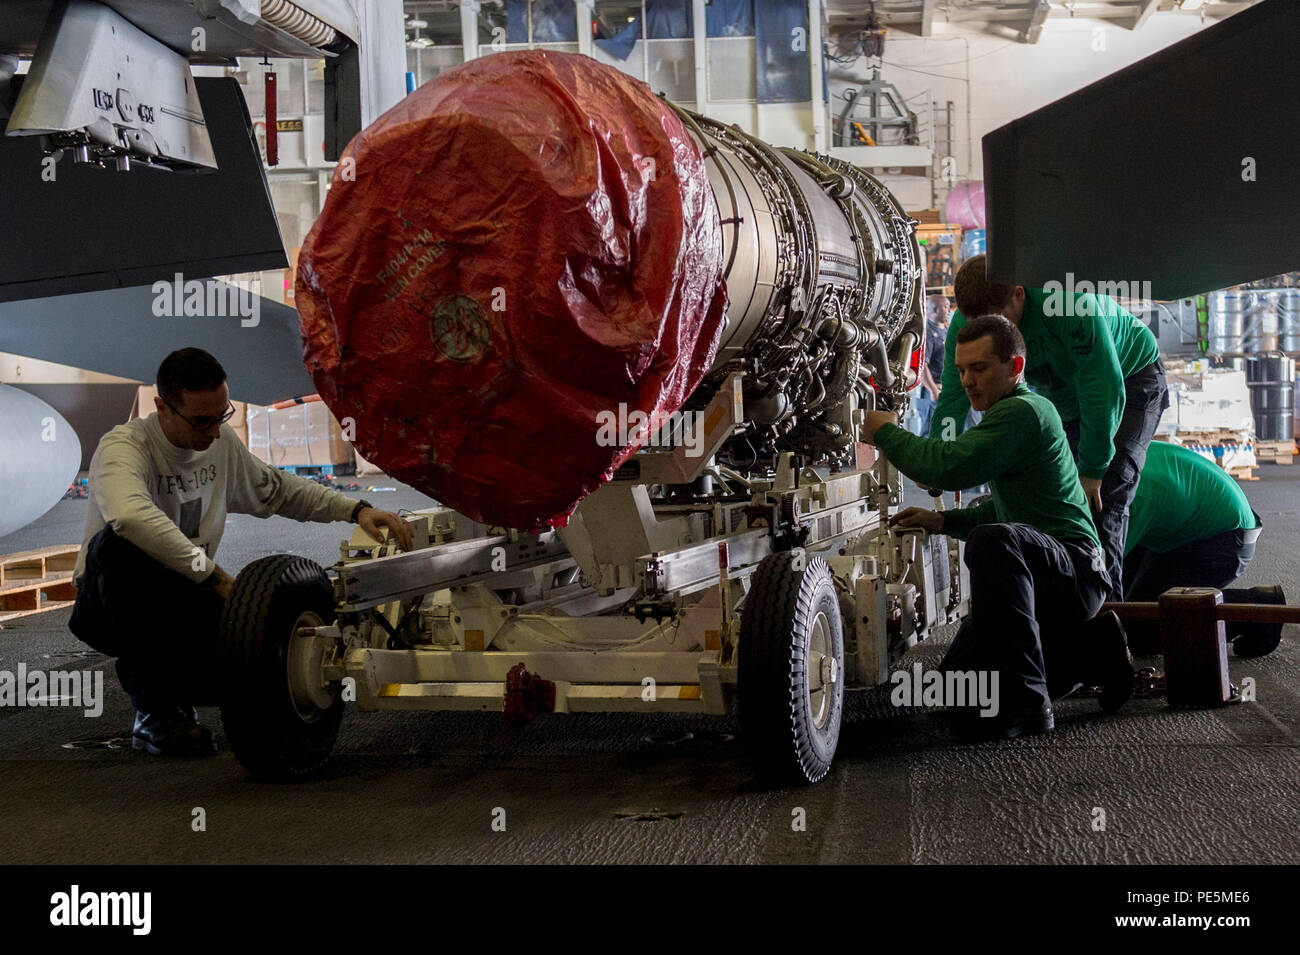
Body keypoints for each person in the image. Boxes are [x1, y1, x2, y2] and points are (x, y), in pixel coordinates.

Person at [70, 348, 414, 757]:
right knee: (120, 547)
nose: (215, 432)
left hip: (189, 591)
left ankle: (185, 686)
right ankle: (156, 714)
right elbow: (130, 517)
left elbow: (278, 490)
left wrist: (356, 509)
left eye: (222, 416)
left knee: (259, 643)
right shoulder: (124, 447)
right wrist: (216, 578)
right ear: (162, 408)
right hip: (111, 603)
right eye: (202, 421)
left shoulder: (220, 444)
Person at [862, 315, 1135, 740]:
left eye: (980, 368)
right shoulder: (1015, 413)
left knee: (992, 542)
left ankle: (1028, 706)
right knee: (951, 690)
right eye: (961, 370)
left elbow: (949, 467)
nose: (967, 381)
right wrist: (944, 520)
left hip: (1076, 572)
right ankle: (1092, 650)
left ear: (1015, 367)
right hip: (1050, 571)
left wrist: (886, 433)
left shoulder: (1022, 412)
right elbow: (1008, 510)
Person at [928, 255, 1167, 602]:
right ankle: (1060, 608)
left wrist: (1093, 468)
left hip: (1130, 379)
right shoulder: (968, 327)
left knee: (1104, 498)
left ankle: (1108, 618)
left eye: (1000, 320)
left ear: (1019, 294)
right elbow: (953, 395)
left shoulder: (1068, 301)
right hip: (1065, 399)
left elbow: (1101, 387)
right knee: (1053, 501)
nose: (991, 334)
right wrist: (941, 453)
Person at [1122, 439, 1270, 655]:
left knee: (1145, 628)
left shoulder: (1129, 495)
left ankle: (1260, 608)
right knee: (1128, 611)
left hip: (1222, 541)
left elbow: (1102, 571)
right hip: (1181, 526)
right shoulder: (1106, 462)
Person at [912, 294, 949, 436]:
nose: (948, 310)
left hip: (944, 390)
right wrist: (933, 391)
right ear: (934, 309)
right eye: (945, 307)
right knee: (931, 432)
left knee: (944, 432)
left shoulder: (945, 331)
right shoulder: (927, 332)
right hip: (932, 392)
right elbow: (922, 366)